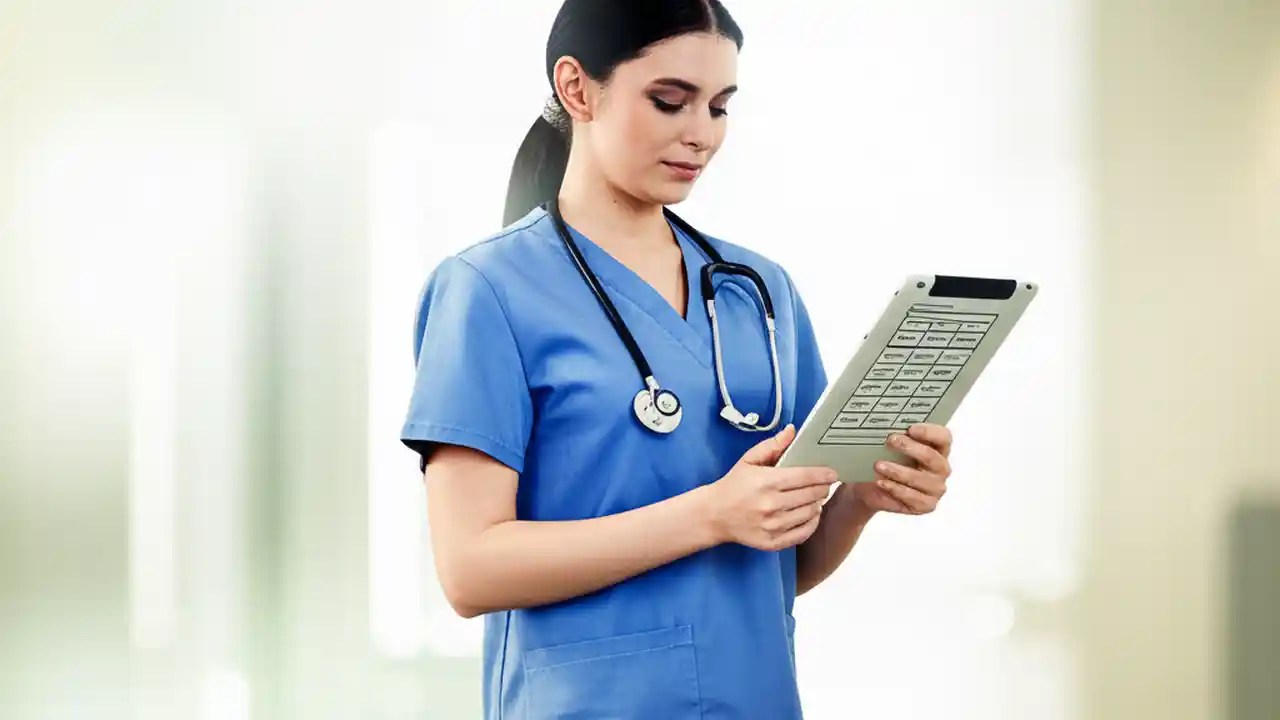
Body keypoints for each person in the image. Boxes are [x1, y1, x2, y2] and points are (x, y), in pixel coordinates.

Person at [400, 1, 954, 717]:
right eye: (670, 101)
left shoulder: (759, 293)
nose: (702, 135)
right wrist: (711, 514)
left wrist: (860, 501)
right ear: (577, 88)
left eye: (720, 107)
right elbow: (470, 571)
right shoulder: (488, 290)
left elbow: (773, 571)